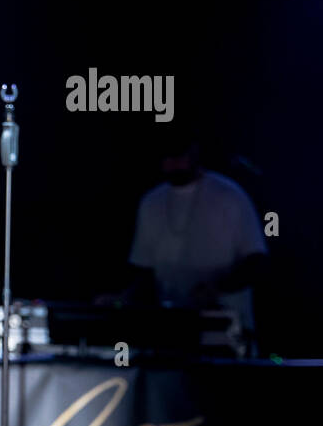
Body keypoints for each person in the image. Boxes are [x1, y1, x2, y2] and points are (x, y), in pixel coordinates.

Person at [96, 126, 268, 354]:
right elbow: (146, 273)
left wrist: (218, 287)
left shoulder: (230, 197)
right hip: (171, 331)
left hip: (226, 332)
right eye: (167, 158)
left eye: (178, 157)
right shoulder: (152, 203)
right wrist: (122, 300)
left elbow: (256, 261)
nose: (172, 165)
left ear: (193, 153)